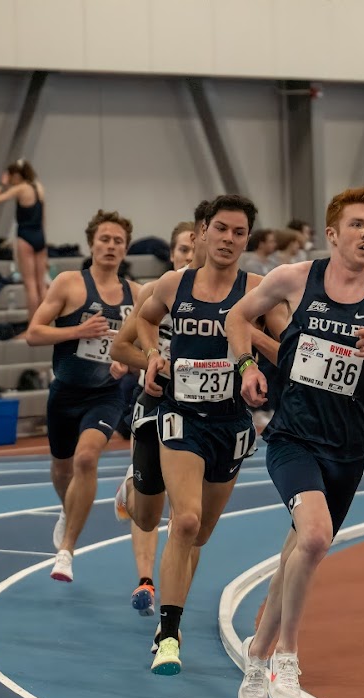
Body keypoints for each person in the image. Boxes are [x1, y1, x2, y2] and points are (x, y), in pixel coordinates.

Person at [228, 187, 364, 698]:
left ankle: (256, 656)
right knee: (314, 538)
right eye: (357, 225)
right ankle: (286, 657)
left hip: (348, 449)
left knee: (297, 554)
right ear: (332, 233)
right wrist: (246, 368)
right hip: (293, 438)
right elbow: (236, 319)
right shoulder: (294, 279)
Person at [137, 194, 280, 675]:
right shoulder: (175, 283)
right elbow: (144, 316)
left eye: (239, 233)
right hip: (181, 418)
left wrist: (245, 329)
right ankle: (168, 634)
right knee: (185, 522)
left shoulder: (258, 288)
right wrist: (153, 352)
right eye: (221, 229)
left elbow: (287, 351)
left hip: (232, 425)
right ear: (202, 232)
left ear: (247, 240)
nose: (228, 239)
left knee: (200, 537)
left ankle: (172, 604)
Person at [28, 210, 137, 582]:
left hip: (105, 395)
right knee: (62, 468)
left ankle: (66, 552)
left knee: (86, 459)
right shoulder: (69, 284)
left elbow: (141, 345)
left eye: (118, 241)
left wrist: (128, 361)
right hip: (64, 393)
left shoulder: (135, 294)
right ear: (92, 242)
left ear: (126, 248)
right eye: (104, 239)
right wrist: (78, 330)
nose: (110, 246)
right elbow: (34, 333)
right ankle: (67, 509)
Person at [109, 215, 205, 616]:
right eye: (181, 249)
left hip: (202, 411)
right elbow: (119, 348)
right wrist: (151, 360)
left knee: (188, 519)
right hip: (156, 402)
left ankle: (169, 610)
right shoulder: (157, 291)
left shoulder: (225, 295)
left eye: (192, 248)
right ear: (172, 254)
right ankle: (132, 485)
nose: (188, 255)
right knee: (149, 514)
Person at [0, 159, 47, 320]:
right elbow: (43, 217)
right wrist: (43, 238)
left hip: (25, 236)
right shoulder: (39, 187)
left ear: (16, 175)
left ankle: (33, 325)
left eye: (11, 177)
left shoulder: (20, 188)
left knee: (30, 285)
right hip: (40, 236)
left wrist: (2, 184)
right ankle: (47, 322)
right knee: (42, 284)